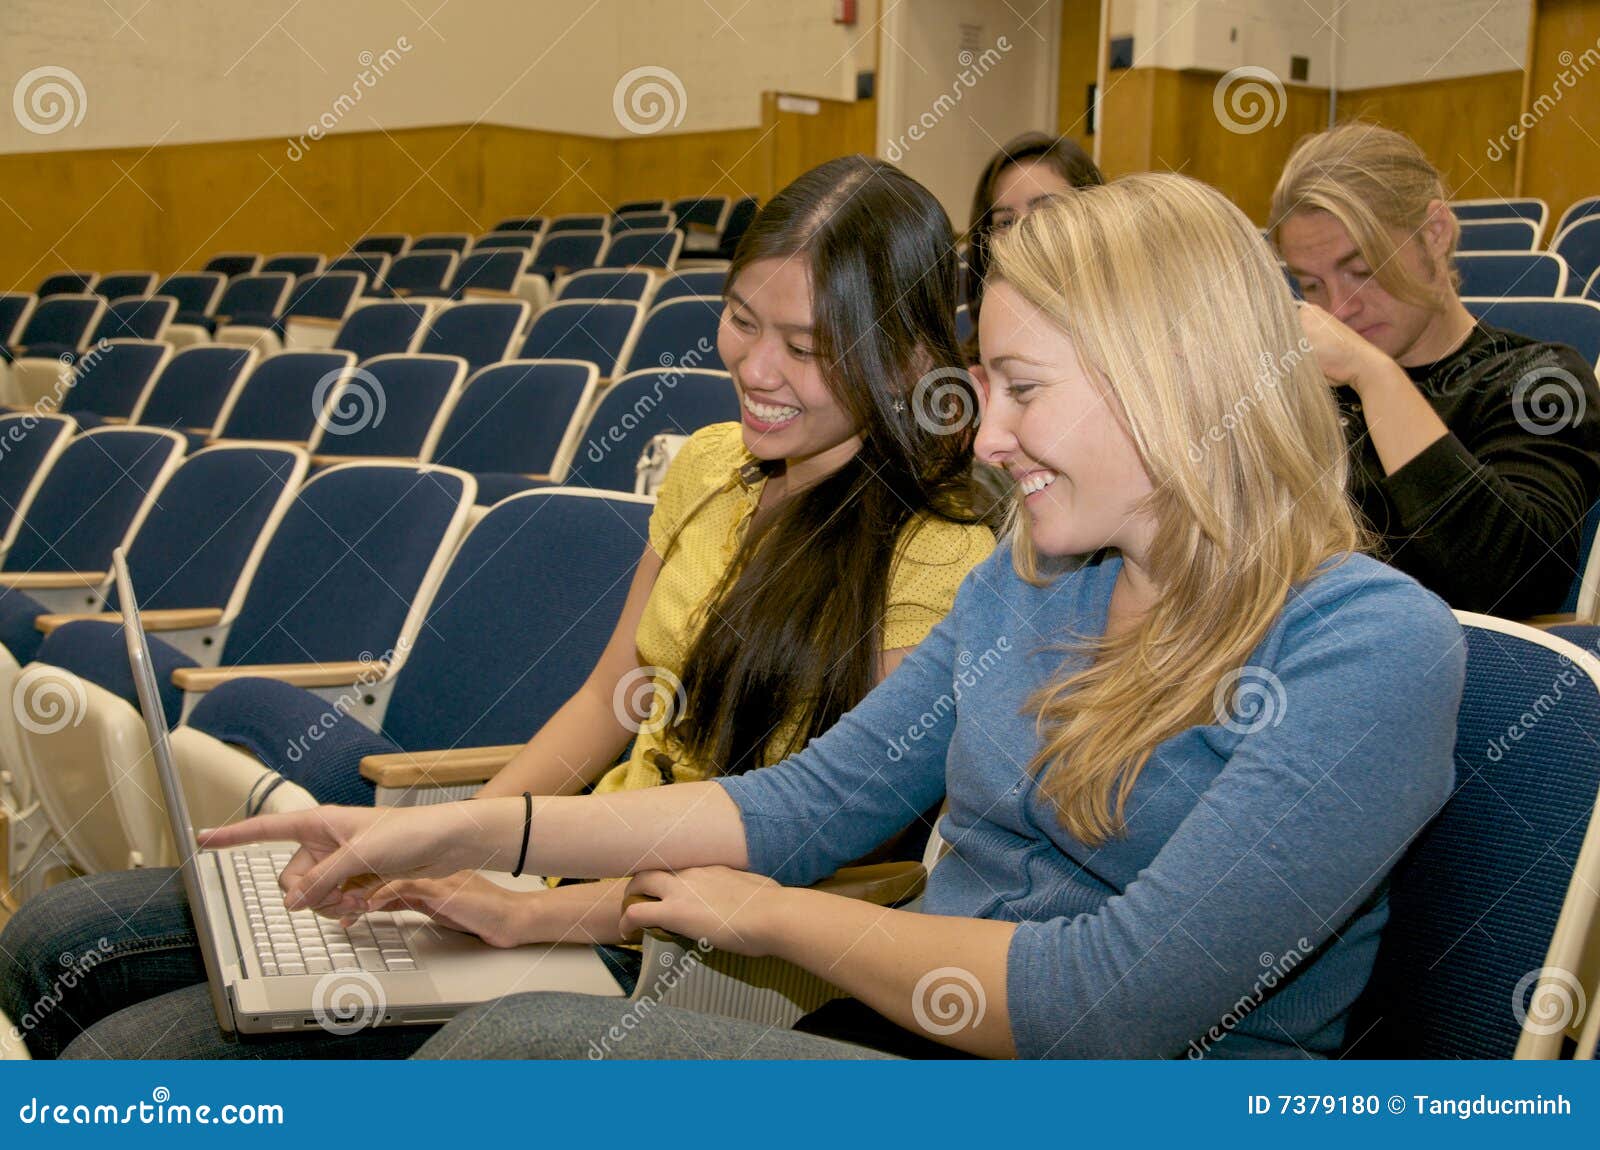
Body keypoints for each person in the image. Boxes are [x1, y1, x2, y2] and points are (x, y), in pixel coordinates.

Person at [98, 172, 1466, 1060]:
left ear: (1174, 380)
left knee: (518, 1053)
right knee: (103, 970)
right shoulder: (1044, 577)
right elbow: (804, 801)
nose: (983, 437)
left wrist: (770, 922)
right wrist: (469, 826)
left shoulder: (1370, 644)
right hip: (909, 1039)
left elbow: (1118, 1007)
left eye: (1022, 388)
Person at [0, 155, 995, 1059]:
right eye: (742, 318)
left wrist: (539, 911)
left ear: (906, 358)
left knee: (127, 1060)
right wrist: (442, 849)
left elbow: (821, 850)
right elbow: (610, 697)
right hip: (557, 869)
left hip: (663, 951)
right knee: (51, 937)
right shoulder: (706, 465)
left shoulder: (936, 558)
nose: (756, 368)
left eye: (808, 347)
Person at [1272, 121, 1600, 617]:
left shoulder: (1538, 377)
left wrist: (1376, 377)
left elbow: (1513, 582)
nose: (1340, 308)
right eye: (1312, 285)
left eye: (1363, 271)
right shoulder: (1302, 386)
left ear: (1435, 234)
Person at [962, 131, 1103, 363]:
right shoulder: (972, 373)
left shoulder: (1128, 335)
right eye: (1006, 222)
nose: (1023, 230)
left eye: (1046, 211)